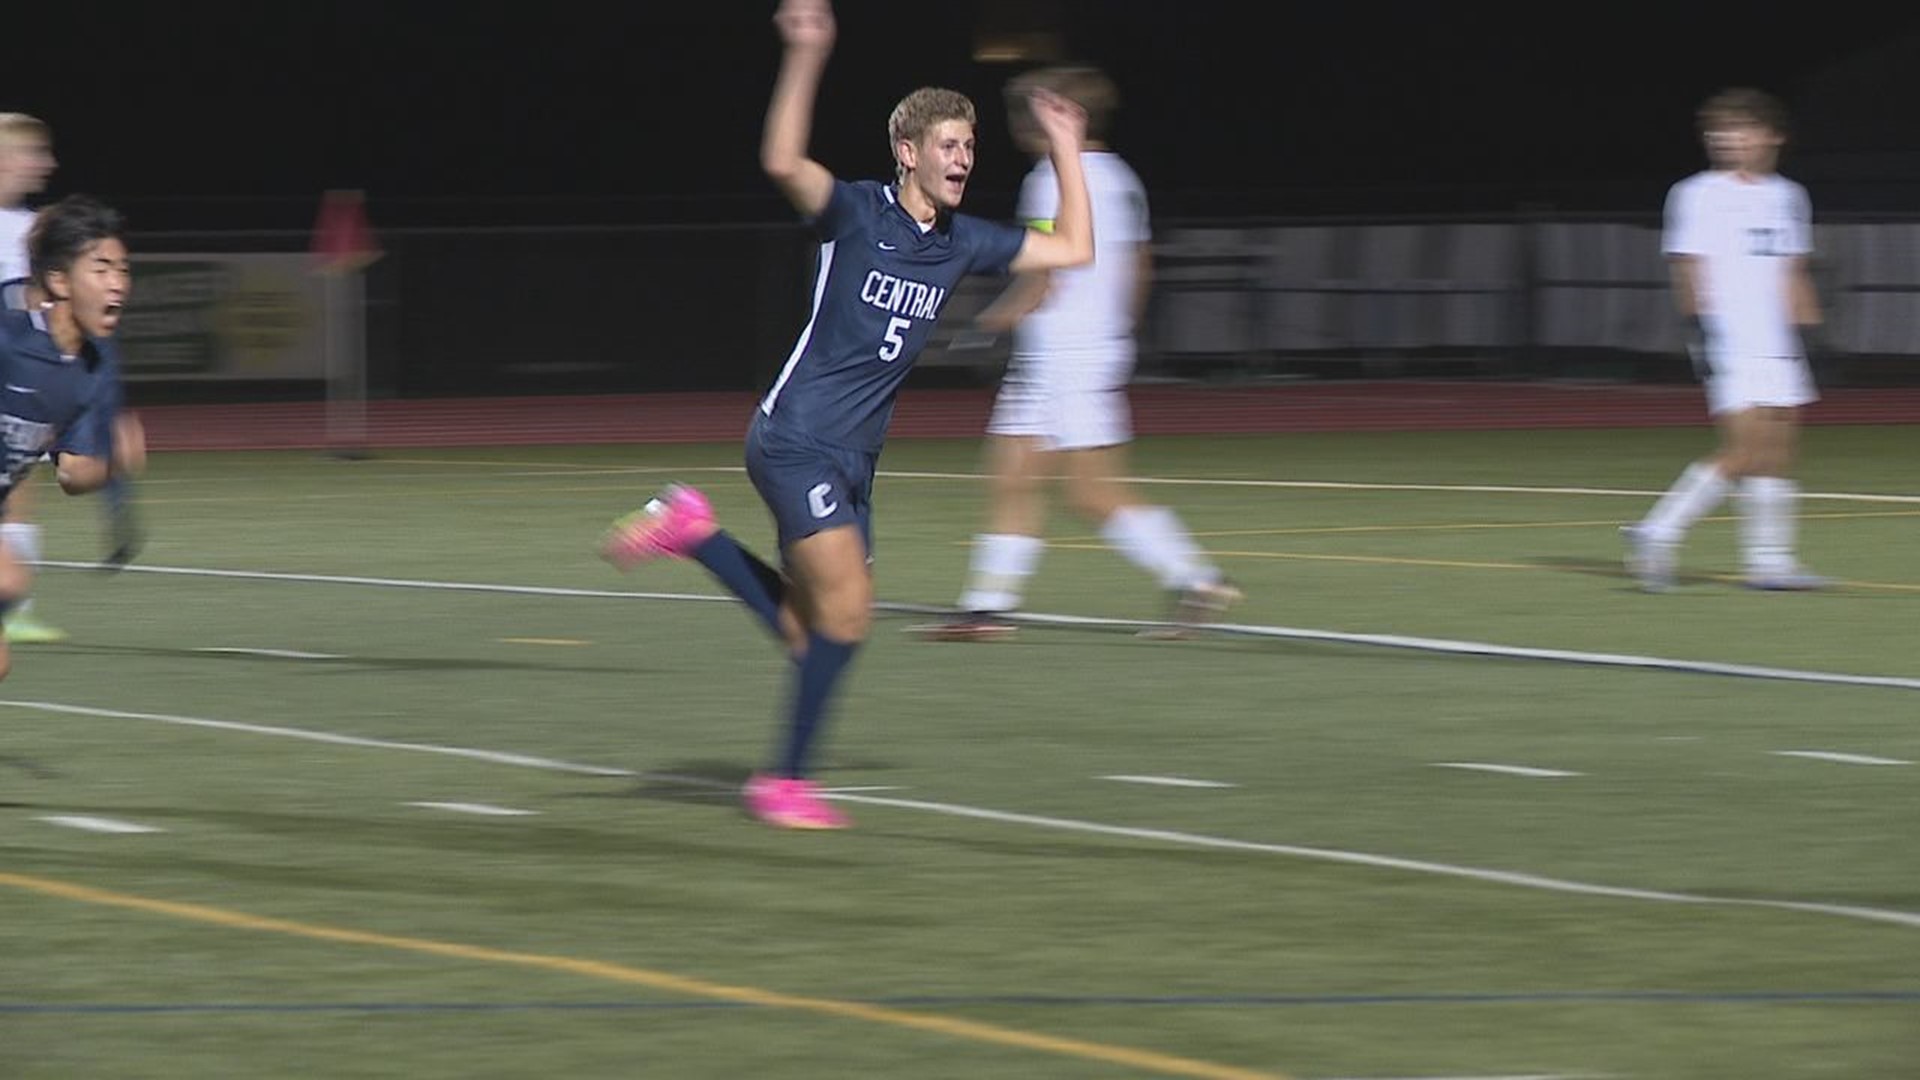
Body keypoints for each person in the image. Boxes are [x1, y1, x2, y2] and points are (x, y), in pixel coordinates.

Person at [598, 0, 1092, 829]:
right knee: (847, 620)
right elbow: (782, 157)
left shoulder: (962, 240)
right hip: (796, 439)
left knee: (815, 634)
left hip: (854, 460)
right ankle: (782, 783)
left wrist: (1071, 148)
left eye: (971, 145)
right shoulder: (857, 211)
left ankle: (694, 530)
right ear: (908, 152)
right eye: (948, 144)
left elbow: (1072, 249)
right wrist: (806, 52)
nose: (963, 157)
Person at [914, 65, 1239, 642]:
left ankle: (1197, 580)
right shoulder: (1122, 177)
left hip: (1064, 352)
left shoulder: (1050, 177)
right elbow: (1140, 264)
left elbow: (1049, 269)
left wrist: (992, 320)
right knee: (1013, 471)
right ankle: (988, 608)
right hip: (1082, 349)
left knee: (1090, 490)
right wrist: (1119, 334)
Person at [1623, 88, 1827, 592]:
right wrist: (1698, 329)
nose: (1728, 140)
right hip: (1729, 336)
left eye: (1742, 130)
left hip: (1778, 338)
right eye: (1721, 132)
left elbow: (1792, 269)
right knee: (1745, 449)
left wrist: (1815, 332)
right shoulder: (1696, 193)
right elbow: (1686, 265)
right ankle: (1658, 530)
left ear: (1772, 135)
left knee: (1779, 446)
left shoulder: (1789, 195)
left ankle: (1770, 561)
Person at [0, 194, 147, 680]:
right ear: (60, 280)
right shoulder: (9, 331)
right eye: (101, 269)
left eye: (123, 270)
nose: (118, 284)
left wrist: (115, 460)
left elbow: (74, 474)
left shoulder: (96, 367)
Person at [0, 113, 68, 641]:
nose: (47, 164)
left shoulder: (35, 227)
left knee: (20, 481)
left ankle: (14, 606)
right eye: (34, 153)